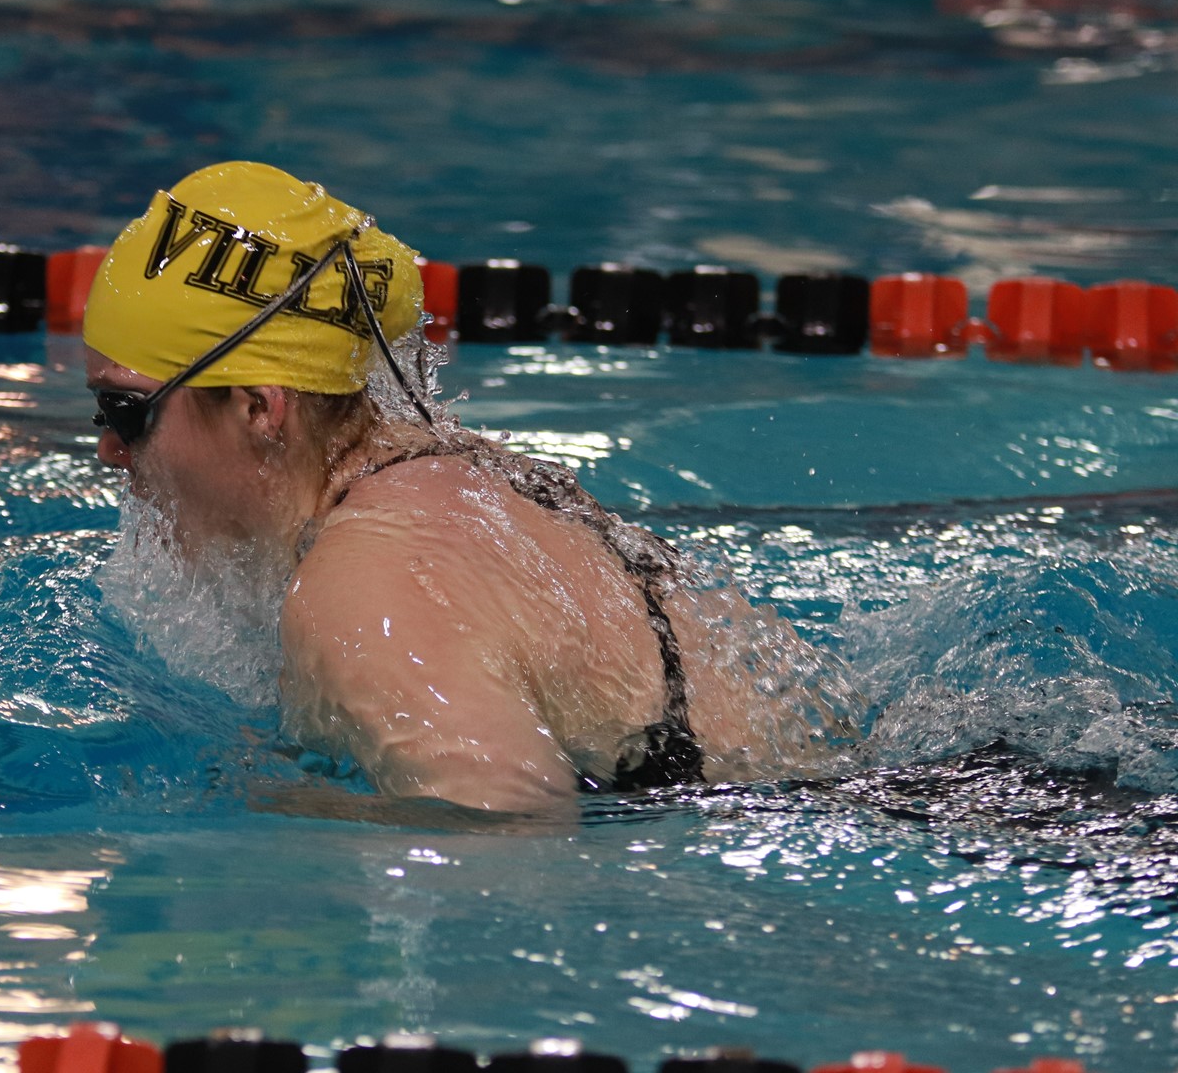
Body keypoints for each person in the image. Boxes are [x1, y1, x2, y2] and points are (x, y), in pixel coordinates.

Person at [82, 161, 838, 813]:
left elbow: (508, 829)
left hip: (817, 843)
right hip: (872, 796)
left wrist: (267, 806)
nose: (110, 450)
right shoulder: (448, 473)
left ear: (258, 408)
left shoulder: (367, 589)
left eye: (127, 411)